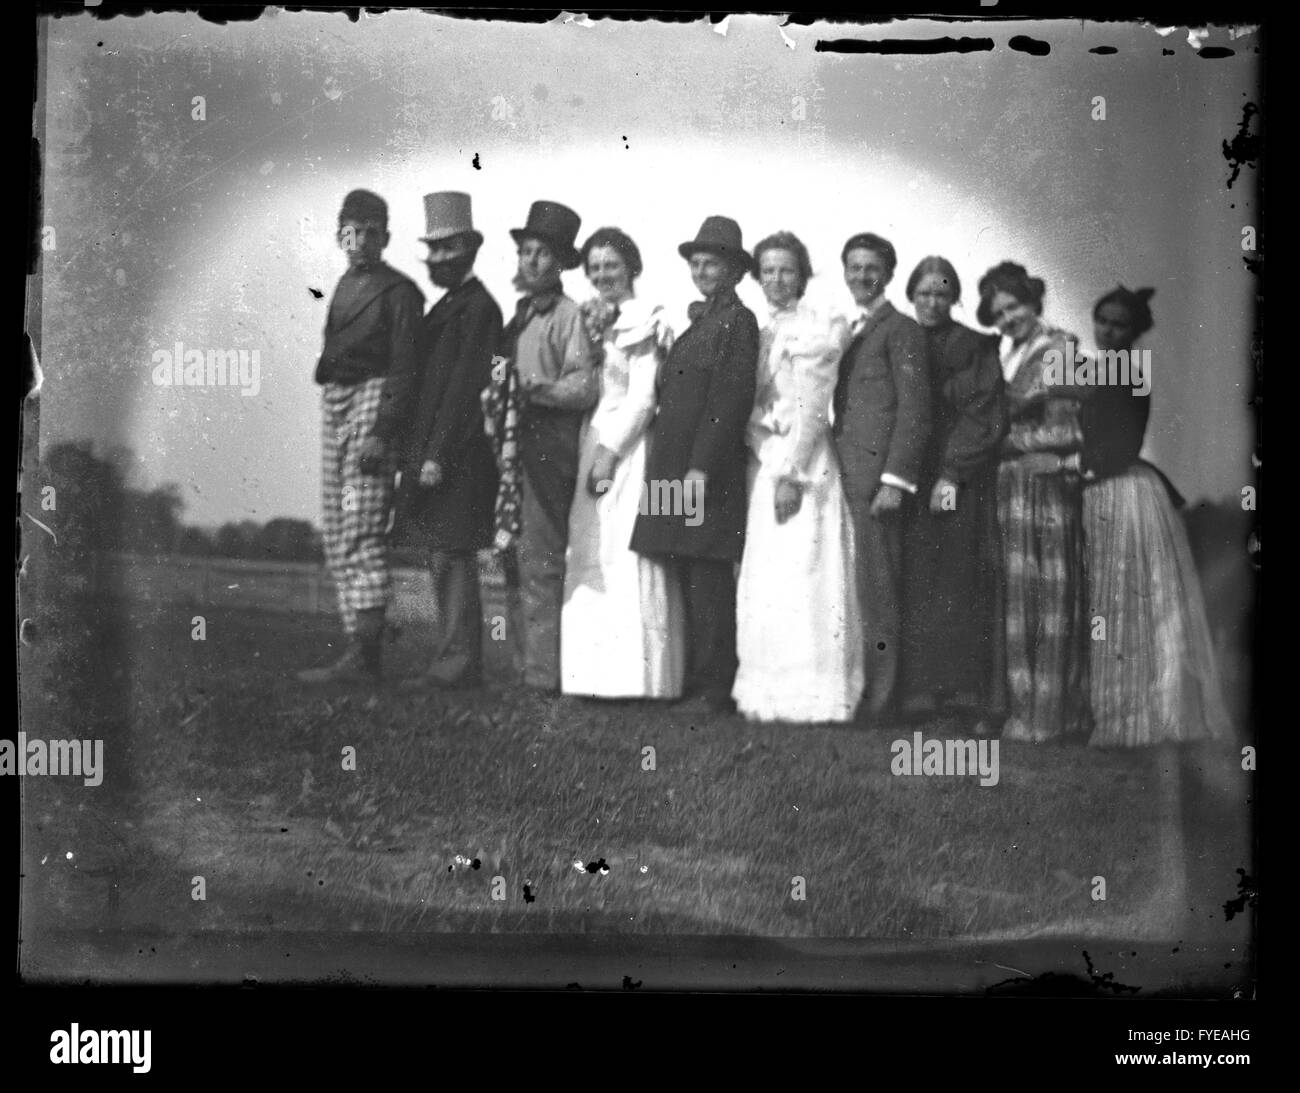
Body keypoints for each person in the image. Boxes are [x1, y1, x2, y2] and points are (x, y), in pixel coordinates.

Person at [1080, 286, 1234, 747]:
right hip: (1102, 486)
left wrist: (1084, 466)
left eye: (1118, 324)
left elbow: (1125, 440)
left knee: (1128, 599)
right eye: (1102, 320)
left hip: (1122, 489)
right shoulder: (1100, 367)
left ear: (1135, 331)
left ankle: (1142, 714)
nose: (1107, 330)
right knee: (1111, 599)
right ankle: (1112, 708)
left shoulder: (1132, 371)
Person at [629, 216, 760, 713]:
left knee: (706, 571)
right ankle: (688, 678)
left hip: (700, 469)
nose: (703, 270)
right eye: (697, 263)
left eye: (713, 263)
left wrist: (702, 468)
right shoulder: (700, 321)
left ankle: (713, 687)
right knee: (678, 561)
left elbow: (729, 398)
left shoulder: (738, 322)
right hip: (670, 463)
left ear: (734, 271)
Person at [732, 232, 863, 723]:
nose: (776, 280)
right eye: (768, 270)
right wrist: (766, 452)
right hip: (766, 457)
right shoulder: (760, 330)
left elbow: (810, 413)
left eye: (786, 270)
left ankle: (813, 694)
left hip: (803, 466)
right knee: (769, 578)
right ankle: (768, 693)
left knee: (805, 572)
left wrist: (789, 473)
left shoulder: (816, 328)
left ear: (802, 275)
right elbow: (753, 409)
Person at [298, 188, 424, 685]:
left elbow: (405, 369)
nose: (362, 241)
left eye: (373, 232)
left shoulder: (400, 292)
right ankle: (359, 648)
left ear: (387, 237)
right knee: (335, 528)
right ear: (339, 236)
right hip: (337, 400)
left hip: (375, 401)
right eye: (353, 232)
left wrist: (381, 431)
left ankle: (366, 658)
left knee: (362, 525)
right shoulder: (344, 285)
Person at [560, 228, 686, 699]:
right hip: (592, 437)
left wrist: (609, 454)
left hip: (628, 448)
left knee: (628, 552)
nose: (601, 275)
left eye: (610, 265)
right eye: (594, 267)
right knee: (592, 549)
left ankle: (639, 680)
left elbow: (643, 397)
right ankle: (592, 676)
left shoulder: (643, 318)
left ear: (631, 266)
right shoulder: (593, 317)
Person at [390, 192, 502, 692]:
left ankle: (457, 665)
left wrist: (436, 454)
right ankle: (452, 659)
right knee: (441, 555)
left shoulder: (478, 309)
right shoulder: (452, 307)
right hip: (436, 454)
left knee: (453, 557)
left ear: (468, 252)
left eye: (445, 251)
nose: (436, 261)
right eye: (431, 251)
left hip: (456, 457)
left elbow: (465, 389)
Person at [977, 261, 1090, 743]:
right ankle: (1020, 710)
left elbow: (1069, 430)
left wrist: (1006, 444)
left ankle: (1048, 716)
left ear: (1034, 303)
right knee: (1017, 599)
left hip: (1043, 489)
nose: (1007, 319)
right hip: (1011, 488)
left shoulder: (1060, 347)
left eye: (1014, 307)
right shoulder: (1011, 352)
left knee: (1047, 597)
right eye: (999, 313)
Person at [898, 256, 1007, 733]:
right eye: (924, 293)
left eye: (942, 293)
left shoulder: (973, 346)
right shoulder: (902, 339)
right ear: (911, 295)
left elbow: (982, 412)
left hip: (954, 476)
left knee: (957, 578)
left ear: (955, 297)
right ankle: (919, 691)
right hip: (909, 475)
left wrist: (952, 473)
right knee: (916, 578)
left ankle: (962, 692)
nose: (932, 302)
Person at [497, 200, 598, 692]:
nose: (532, 261)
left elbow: (584, 385)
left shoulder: (568, 316)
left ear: (561, 263)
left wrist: (536, 389)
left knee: (541, 561)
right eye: (526, 252)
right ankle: (524, 664)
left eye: (542, 254)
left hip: (548, 450)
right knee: (511, 558)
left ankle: (543, 674)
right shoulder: (518, 316)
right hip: (512, 449)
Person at [832, 232, 931, 724]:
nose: (862, 276)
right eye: (854, 267)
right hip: (846, 474)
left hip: (878, 482)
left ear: (889, 274)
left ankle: (884, 699)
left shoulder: (902, 329)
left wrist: (895, 479)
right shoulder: (852, 328)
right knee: (858, 585)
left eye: (872, 268)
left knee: (880, 589)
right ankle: (864, 687)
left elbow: (915, 410)